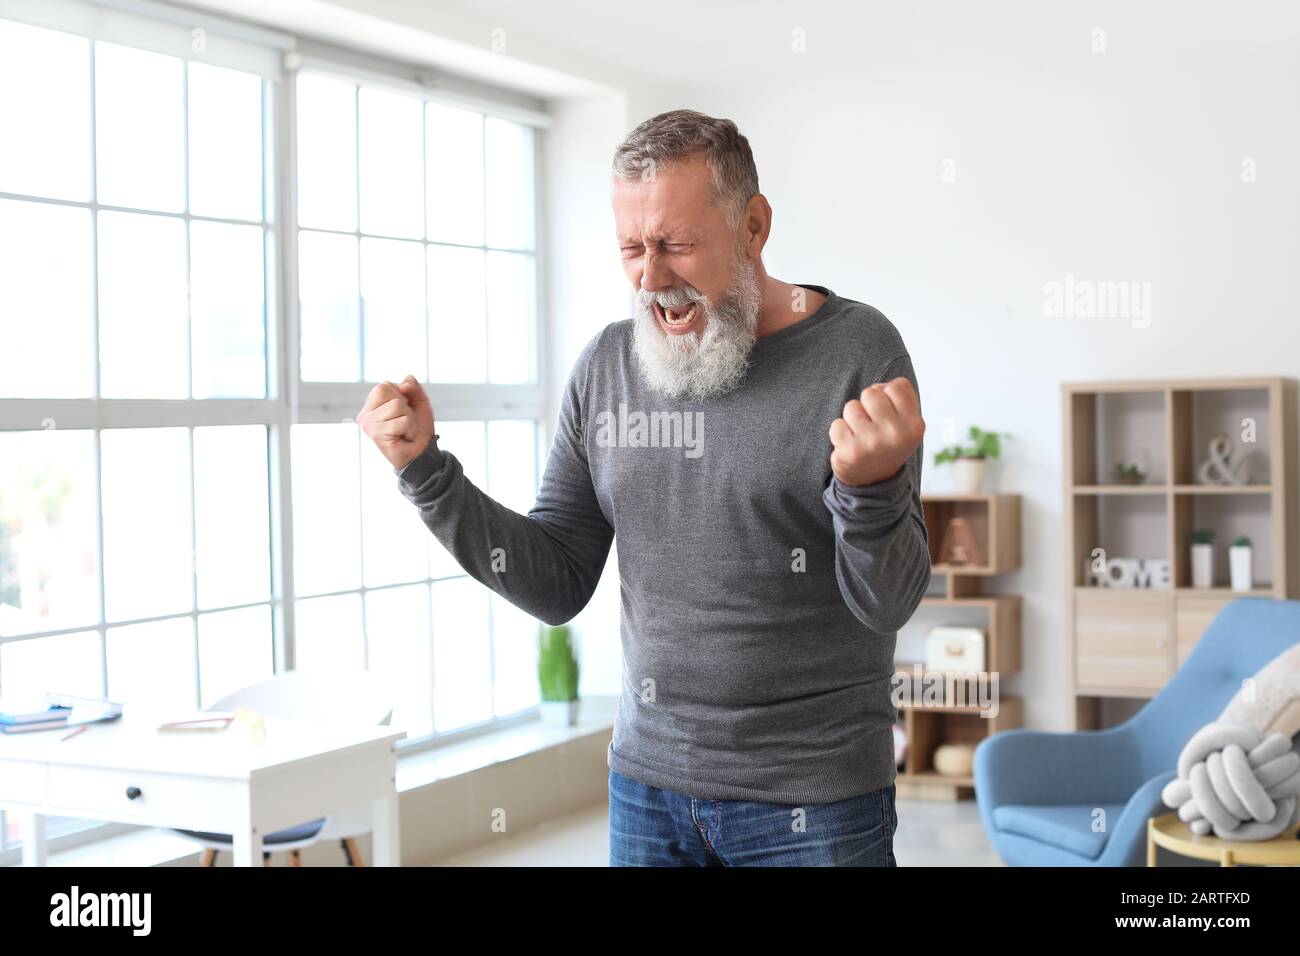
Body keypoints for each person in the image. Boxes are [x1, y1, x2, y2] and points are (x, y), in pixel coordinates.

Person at [357, 108, 931, 866]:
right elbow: (558, 580)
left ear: (753, 226)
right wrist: (426, 474)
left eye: (676, 245)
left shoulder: (857, 353)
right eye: (632, 248)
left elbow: (887, 601)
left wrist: (872, 490)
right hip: (647, 791)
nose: (651, 278)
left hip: (813, 802)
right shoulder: (607, 369)